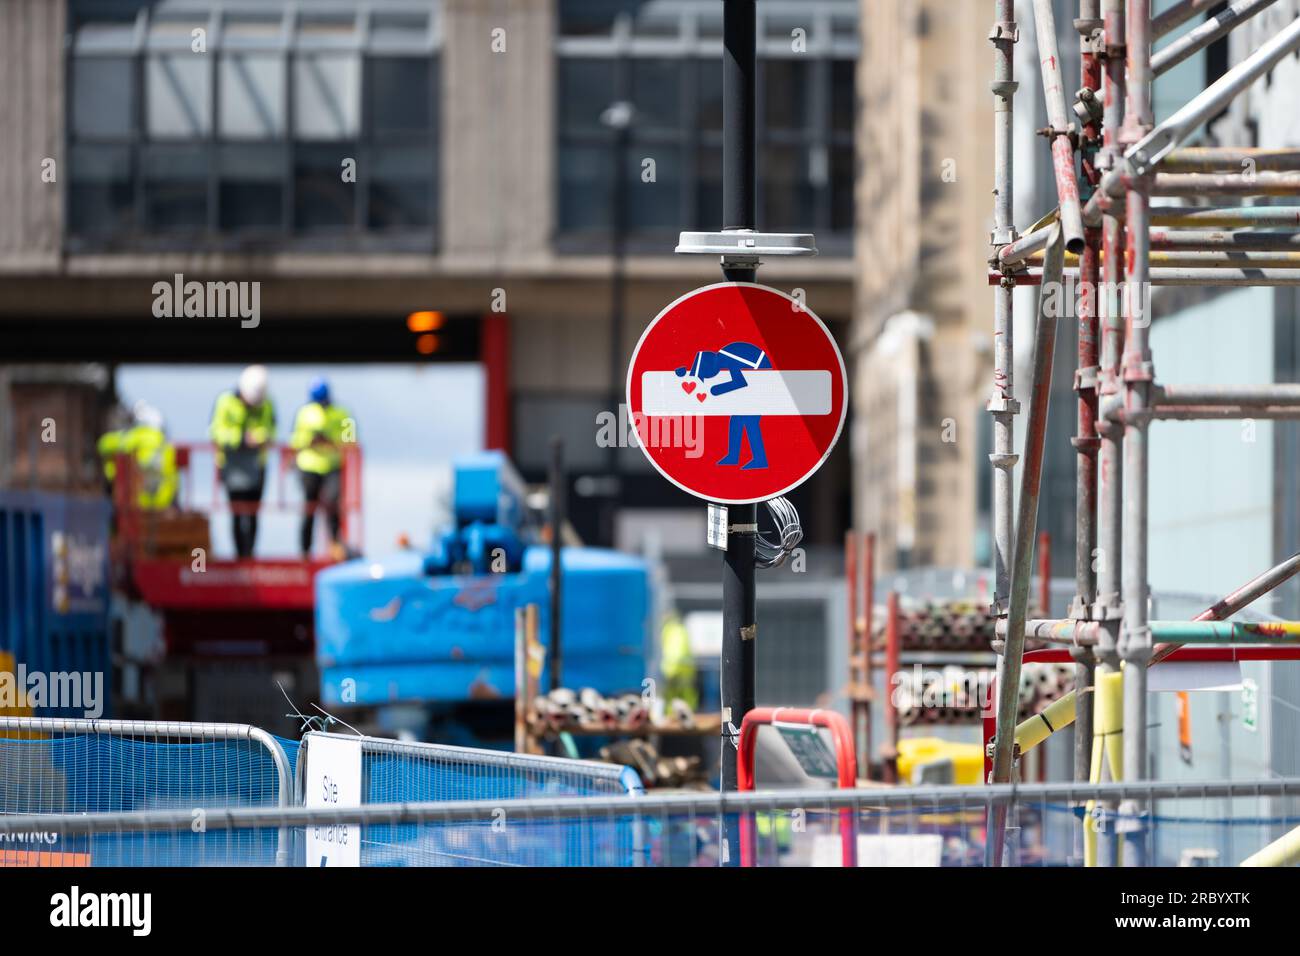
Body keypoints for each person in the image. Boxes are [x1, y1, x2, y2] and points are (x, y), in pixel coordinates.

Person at [209, 365, 275, 558]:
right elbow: (215, 432)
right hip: (231, 466)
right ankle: (240, 555)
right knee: (237, 512)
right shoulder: (225, 402)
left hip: (257, 466)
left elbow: (271, 430)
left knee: (254, 512)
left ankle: (250, 554)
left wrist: (259, 437)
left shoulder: (266, 404)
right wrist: (240, 439)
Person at [674, 341, 772, 469]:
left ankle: (760, 459)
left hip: (764, 384)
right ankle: (733, 456)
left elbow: (740, 382)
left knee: (750, 421)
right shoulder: (725, 356)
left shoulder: (729, 357)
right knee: (736, 420)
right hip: (757, 386)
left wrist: (716, 389)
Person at [290, 376, 353, 559]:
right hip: (308, 465)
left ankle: (336, 548)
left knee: (333, 506)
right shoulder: (304, 413)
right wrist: (310, 441)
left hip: (332, 465)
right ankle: (305, 552)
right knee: (309, 508)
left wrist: (331, 441)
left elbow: (351, 440)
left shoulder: (343, 413)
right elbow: (294, 439)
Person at [97, 401, 178, 511]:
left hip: (139, 501)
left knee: (114, 469)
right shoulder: (166, 445)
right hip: (163, 500)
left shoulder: (138, 436)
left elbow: (103, 444)